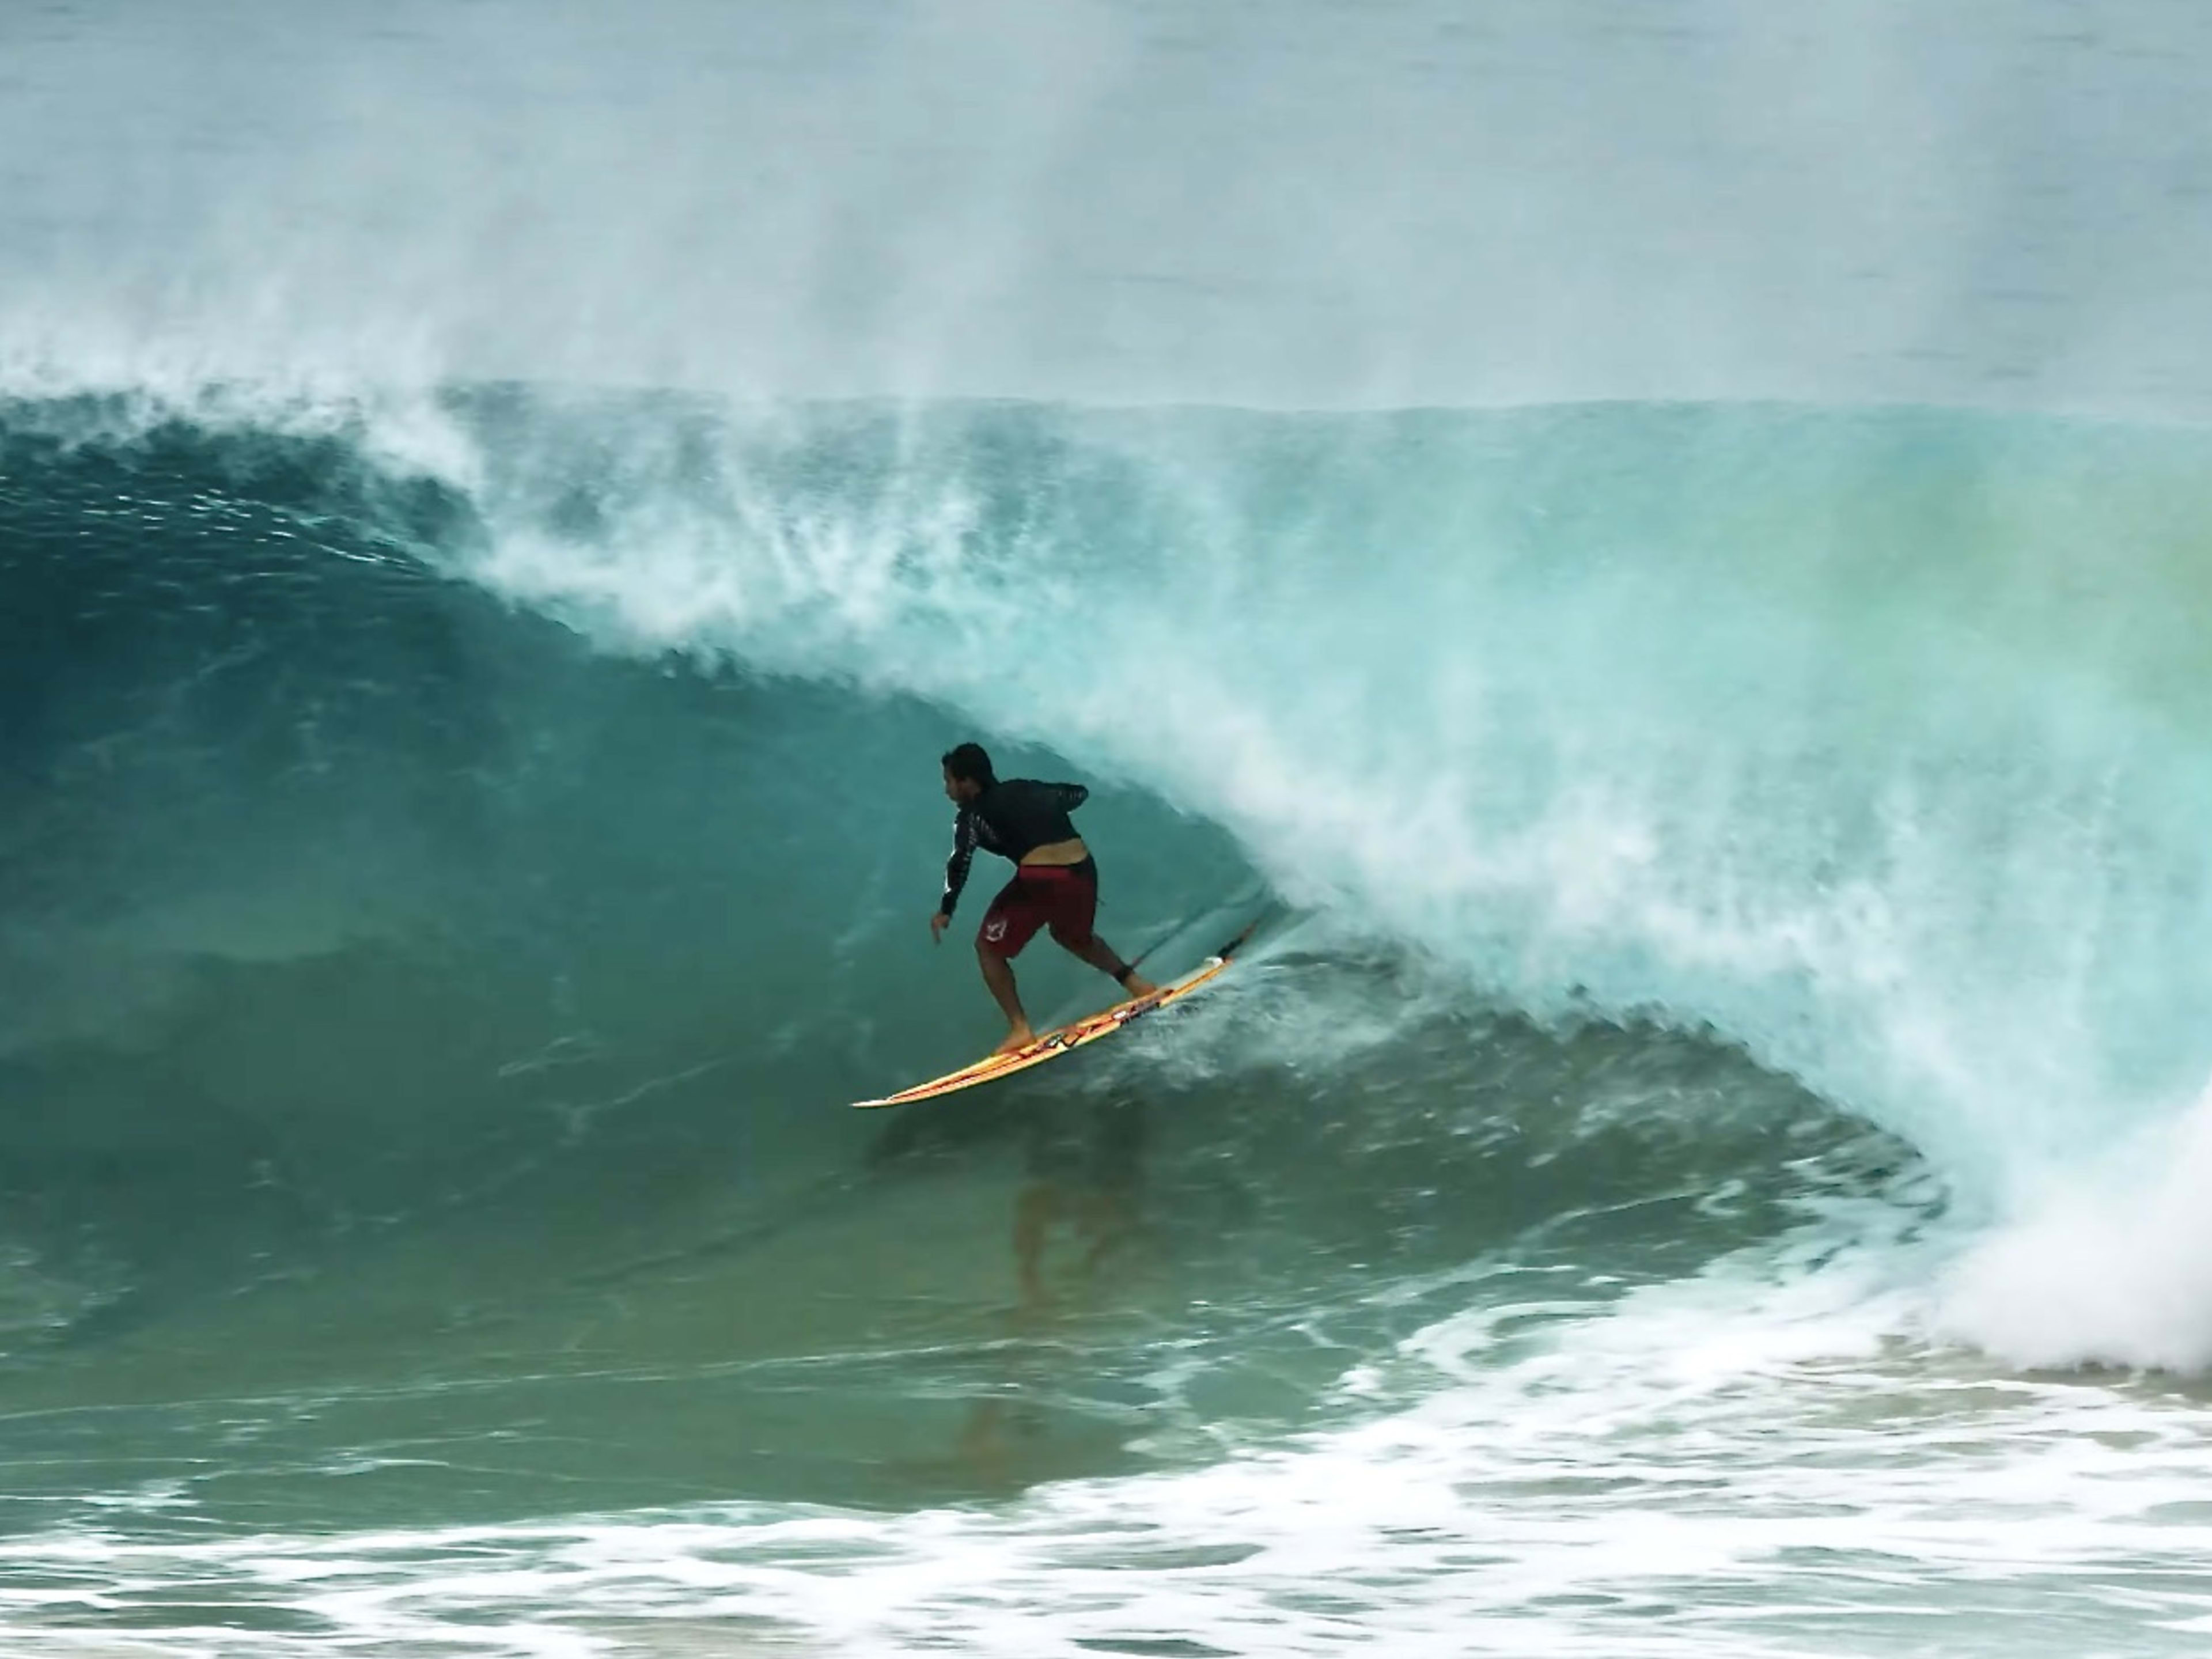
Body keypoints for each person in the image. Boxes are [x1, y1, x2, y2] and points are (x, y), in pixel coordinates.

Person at [931, 742, 1157, 1052]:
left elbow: (961, 861)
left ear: (968, 783)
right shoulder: (1026, 788)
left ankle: (1020, 1029)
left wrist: (946, 909)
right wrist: (1044, 808)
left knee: (988, 949)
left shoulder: (972, 817)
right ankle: (1138, 986)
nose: (947, 791)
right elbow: (1077, 794)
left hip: (1043, 878)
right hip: (1082, 870)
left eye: (950, 782)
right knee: (1073, 937)